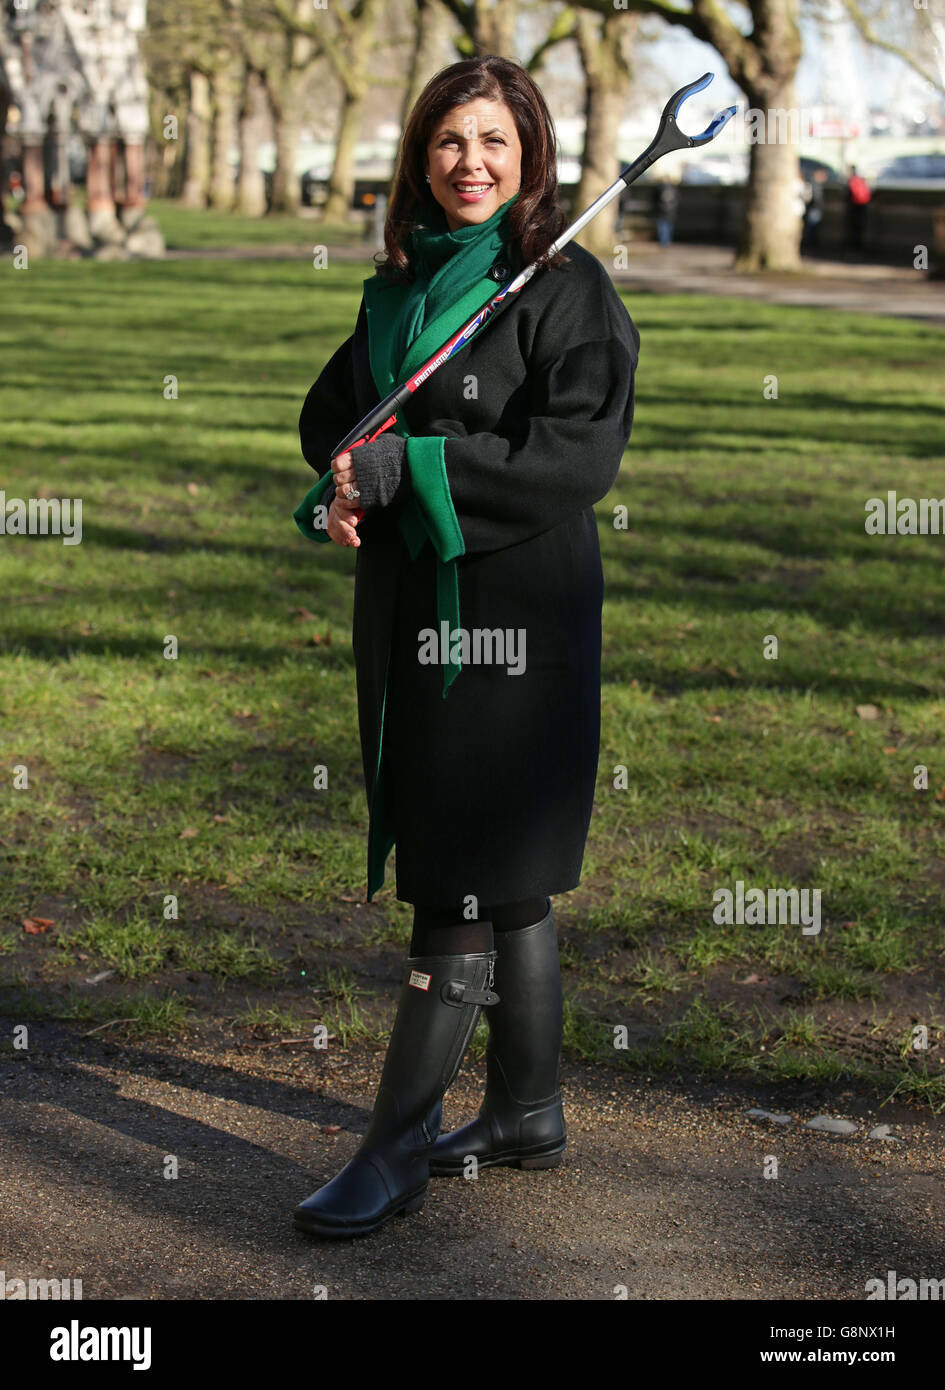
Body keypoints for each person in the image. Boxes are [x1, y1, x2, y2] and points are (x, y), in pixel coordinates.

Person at [290, 54, 640, 1239]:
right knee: (509, 876)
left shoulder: (566, 290)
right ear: (419, 157)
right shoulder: (399, 289)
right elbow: (334, 415)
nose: (471, 163)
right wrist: (344, 478)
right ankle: (528, 1111)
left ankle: (391, 1152)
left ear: (531, 155)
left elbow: (575, 461)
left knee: (464, 875)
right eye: (449, 141)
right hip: (412, 612)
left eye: (494, 141)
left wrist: (409, 470)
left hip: (516, 621)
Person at [845, 164, 871, 253]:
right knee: (859, 229)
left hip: (854, 208)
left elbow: (847, 195)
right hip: (862, 207)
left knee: (853, 230)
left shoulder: (851, 181)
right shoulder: (862, 180)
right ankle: (858, 248)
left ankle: (853, 248)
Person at [652, 179, 678, 247]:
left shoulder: (659, 188)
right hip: (669, 212)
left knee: (663, 228)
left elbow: (653, 199)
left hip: (663, 212)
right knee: (667, 228)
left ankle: (664, 242)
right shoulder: (673, 188)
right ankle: (666, 242)